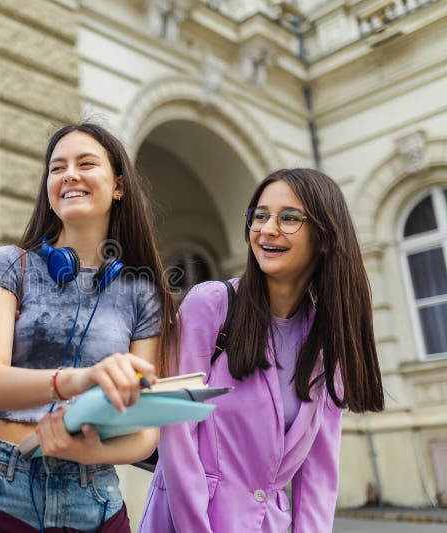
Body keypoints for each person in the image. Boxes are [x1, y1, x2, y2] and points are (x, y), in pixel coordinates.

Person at [0, 123, 176, 532]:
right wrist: (80, 380)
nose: (70, 174)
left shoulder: (141, 293)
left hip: (95, 498)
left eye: (86, 163)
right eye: (57, 167)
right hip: (0, 488)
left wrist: (87, 452)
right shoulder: (10, 265)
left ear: (118, 187)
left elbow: (146, 430)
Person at [139, 168, 385, 532]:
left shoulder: (325, 343)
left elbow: (318, 473)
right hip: (185, 520)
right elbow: (176, 432)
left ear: (325, 238)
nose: (267, 229)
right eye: (260, 215)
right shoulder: (210, 305)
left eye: (288, 218)